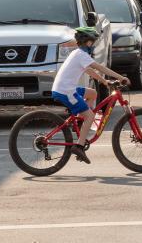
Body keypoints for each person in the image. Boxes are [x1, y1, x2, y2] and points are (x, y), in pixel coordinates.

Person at [50, 26, 129, 163]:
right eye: (93, 42)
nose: (94, 45)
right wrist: (121, 77)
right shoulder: (81, 55)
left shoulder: (78, 54)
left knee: (92, 93)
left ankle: (81, 121)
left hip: (66, 88)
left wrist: (104, 81)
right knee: (90, 116)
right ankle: (79, 146)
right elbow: (99, 67)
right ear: (88, 42)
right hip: (66, 91)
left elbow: (88, 70)